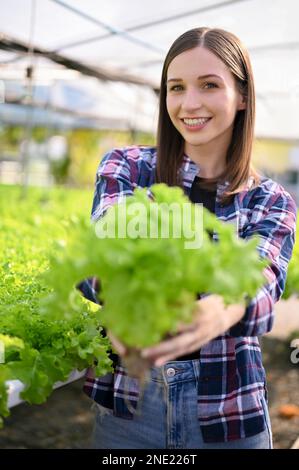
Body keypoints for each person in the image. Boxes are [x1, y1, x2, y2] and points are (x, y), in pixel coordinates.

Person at [80, 27, 297, 449]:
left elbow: (263, 282)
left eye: (209, 85)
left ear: (243, 96)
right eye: (176, 88)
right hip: (130, 407)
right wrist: (121, 293)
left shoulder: (269, 201)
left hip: (229, 412)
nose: (189, 103)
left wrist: (222, 309)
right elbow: (97, 252)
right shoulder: (126, 167)